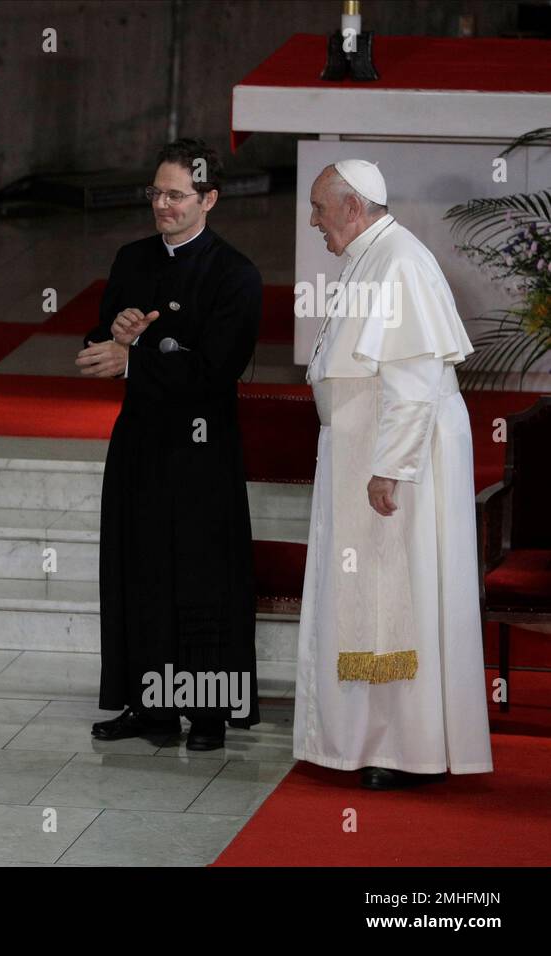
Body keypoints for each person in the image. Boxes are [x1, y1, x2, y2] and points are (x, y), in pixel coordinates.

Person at [295, 160, 493, 789]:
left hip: (394, 463)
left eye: (321, 208)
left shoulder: (399, 260)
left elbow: (414, 383)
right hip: (367, 451)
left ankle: (408, 749)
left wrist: (389, 468)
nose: (314, 221)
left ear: (352, 207)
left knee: (402, 592)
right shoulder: (373, 255)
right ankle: (364, 739)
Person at [78, 139, 262, 751]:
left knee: (201, 578)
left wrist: (135, 359)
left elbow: (217, 369)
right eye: (156, 193)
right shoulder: (133, 258)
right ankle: (147, 705)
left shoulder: (235, 274)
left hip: (201, 451)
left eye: (177, 195)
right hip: (140, 443)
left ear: (208, 198)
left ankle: (205, 714)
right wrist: (115, 333)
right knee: (140, 569)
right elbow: (101, 336)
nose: (163, 205)